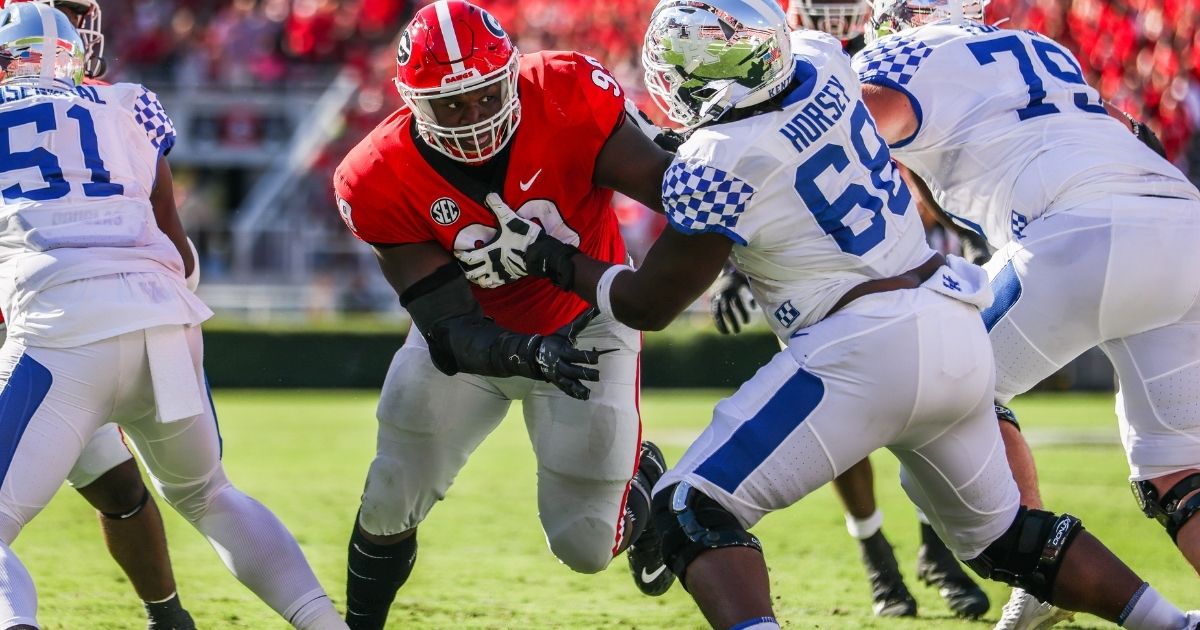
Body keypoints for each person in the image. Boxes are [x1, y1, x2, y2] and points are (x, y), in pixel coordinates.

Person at [456, 0, 1200, 628]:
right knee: (1042, 520)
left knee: (690, 508)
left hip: (875, 336)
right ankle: (1171, 622)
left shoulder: (722, 156)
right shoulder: (824, 58)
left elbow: (649, 301)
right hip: (989, 294)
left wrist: (552, 259)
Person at [852, 0, 1200, 627]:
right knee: (1175, 469)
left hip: (1078, 230)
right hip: (1182, 218)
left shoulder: (904, 53)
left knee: (930, 394)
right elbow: (1128, 129)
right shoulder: (1043, 49)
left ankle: (1058, 581)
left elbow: (854, 131)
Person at [329, 2, 676, 628]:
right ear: (412, 102)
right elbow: (446, 328)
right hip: (473, 347)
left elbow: (670, 188)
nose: (473, 117)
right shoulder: (375, 175)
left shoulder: (566, 92)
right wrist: (527, 354)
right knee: (388, 498)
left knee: (586, 545)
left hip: (587, 326)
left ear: (512, 76)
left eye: (486, 95)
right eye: (450, 106)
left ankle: (645, 479)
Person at [0, 5, 347, 629]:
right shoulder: (127, 103)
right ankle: (326, 624)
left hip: (61, 331)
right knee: (209, 494)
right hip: (164, 321)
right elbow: (177, 245)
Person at [708, 0, 990, 619]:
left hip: (901, 247)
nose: (832, 19)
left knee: (936, 401)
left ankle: (935, 550)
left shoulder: (877, 50)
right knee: (850, 417)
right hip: (821, 271)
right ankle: (876, 555)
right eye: (818, 8)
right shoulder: (786, 61)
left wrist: (962, 218)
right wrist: (730, 264)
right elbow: (749, 168)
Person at [0, 2, 194, 628]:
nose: (77, 28)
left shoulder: (103, 103)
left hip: (50, 335)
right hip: (50, 329)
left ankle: (168, 617)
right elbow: (177, 247)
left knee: (118, 489)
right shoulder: (114, 107)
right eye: (61, 12)